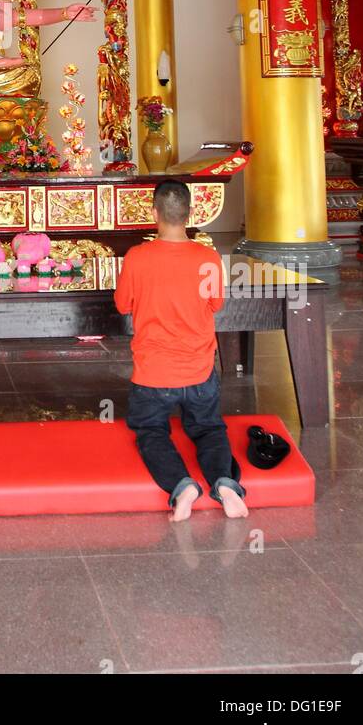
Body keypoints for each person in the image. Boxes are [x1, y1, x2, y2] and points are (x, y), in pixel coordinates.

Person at [114, 178, 248, 521]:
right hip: (199, 369)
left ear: (154, 212)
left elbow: (123, 305)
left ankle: (181, 485)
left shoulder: (137, 257)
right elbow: (216, 304)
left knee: (150, 431)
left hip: (153, 373)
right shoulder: (207, 258)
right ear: (189, 214)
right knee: (208, 428)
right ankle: (225, 484)